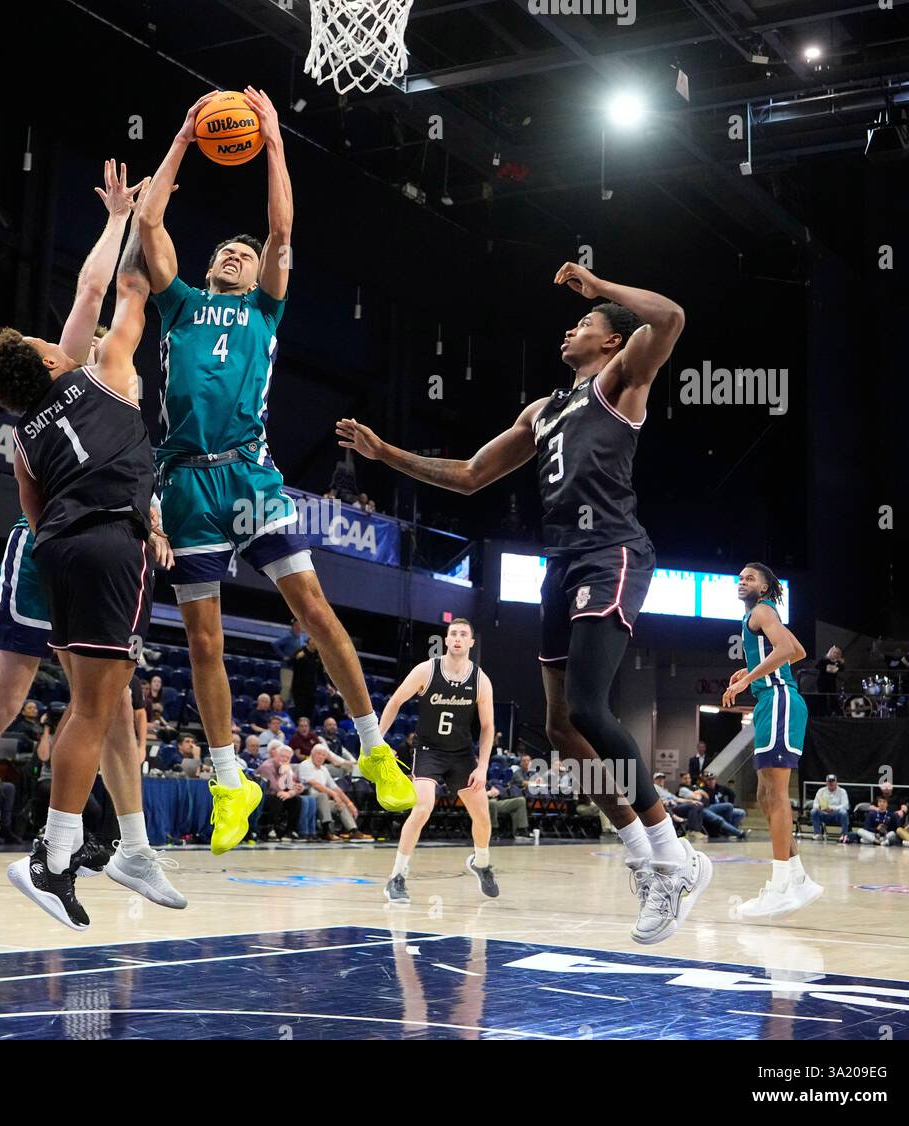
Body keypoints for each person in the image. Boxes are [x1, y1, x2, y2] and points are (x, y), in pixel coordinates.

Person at [338, 260, 704, 944]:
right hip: (561, 563)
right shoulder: (541, 411)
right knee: (562, 729)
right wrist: (387, 453)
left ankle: (673, 854)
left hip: (611, 552)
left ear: (610, 341)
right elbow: (473, 475)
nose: (573, 326)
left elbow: (672, 317)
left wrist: (605, 290)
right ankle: (642, 857)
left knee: (593, 708)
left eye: (585, 321)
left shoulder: (621, 381)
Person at [135, 91, 415, 856]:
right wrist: (185, 139)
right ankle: (231, 782)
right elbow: (151, 223)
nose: (236, 253)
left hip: (250, 477)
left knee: (316, 612)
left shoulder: (264, 310)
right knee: (202, 640)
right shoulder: (180, 303)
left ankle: (374, 747)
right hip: (185, 480)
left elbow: (283, 227)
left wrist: (278, 147)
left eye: (247, 252)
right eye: (227, 249)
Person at [0, 164, 184, 925]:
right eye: (49, 339)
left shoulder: (62, 393)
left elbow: (101, 292)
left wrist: (119, 216)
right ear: (51, 359)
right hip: (47, 550)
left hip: (76, 535)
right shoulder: (76, 371)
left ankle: (131, 846)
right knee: (5, 702)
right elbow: (103, 293)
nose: (58, 335)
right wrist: (132, 217)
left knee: (111, 699)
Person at [378, 619, 498, 902]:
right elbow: (395, 701)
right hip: (429, 750)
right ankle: (396, 877)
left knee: (482, 815)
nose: (457, 638)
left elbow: (488, 726)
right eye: (453, 634)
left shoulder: (480, 680)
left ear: (471, 642)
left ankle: (481, 863)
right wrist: (377, 739)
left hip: (461, 754)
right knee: (422, 808)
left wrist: (482, 766)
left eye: (463, 635)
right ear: (447, 640)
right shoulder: (426, 670)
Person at [298, 743, 370, 841]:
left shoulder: (324, 769)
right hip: (309, 799)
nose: (321, 757)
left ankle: (353, 830)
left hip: (323, 802)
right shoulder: (305, 765)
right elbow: (315, 785)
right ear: (312, 754)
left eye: (323, 755)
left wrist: (350, 804)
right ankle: (326, 831)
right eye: (318, 754)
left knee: (340, 804)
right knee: (323, 796)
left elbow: (335, 788)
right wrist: (333, 794)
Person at [809, 774, 851, 840]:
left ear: (836, 782)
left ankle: (844, 835)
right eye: (829, 781)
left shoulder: (842, 791)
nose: (831, 783)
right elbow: (815, 804)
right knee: (813, 811)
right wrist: (822, 808)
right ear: (826, 782)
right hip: (824, 813)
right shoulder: (821, 791)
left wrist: (832, 809)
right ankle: (817, 833)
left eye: (833, 781)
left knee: (843, 812)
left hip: (836, 815)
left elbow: (846, 806)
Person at [815, 645, 845, 715]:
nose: (836, 655)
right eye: (834, 652)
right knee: (822, 698)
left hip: (832, 681)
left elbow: (842, 669)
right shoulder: (824, 660)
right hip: (822, 681)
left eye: (838, 653)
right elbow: (817, 666)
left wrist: (840, 663)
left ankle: (833, 713)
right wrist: (828, 669)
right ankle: (822, 713)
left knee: (833, 698)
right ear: (831, 652)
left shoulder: (838, 663)